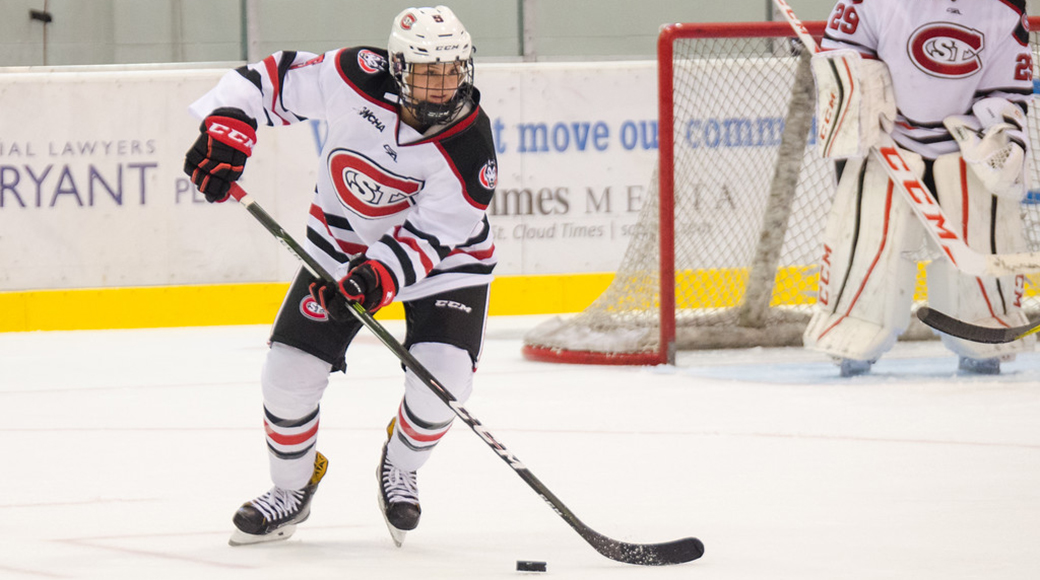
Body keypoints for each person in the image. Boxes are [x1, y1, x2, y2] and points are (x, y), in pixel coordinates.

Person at [183, 5, 497, 546]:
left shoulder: (470, 146)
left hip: (446, 264)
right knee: (286, 376)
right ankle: (291, 490)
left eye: (452, 69)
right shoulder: (354, 75)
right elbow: (266, 82)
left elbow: (432, 236)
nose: (443, 84)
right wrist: (228, 131)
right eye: (428, 71)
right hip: (339, 249)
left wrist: (378, 278)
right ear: (398, 67)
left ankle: (400, 465)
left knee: (443, 382)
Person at [803, 0, 1035, 376]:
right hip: (887, 145)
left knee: (980, 239)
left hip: (963, 150)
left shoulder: (1003, 9)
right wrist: (856, 97)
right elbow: (839, 58)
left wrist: (1000, 134)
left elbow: (1006, 90)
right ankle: (854, 337)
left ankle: (982, 333)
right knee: (868, 243)